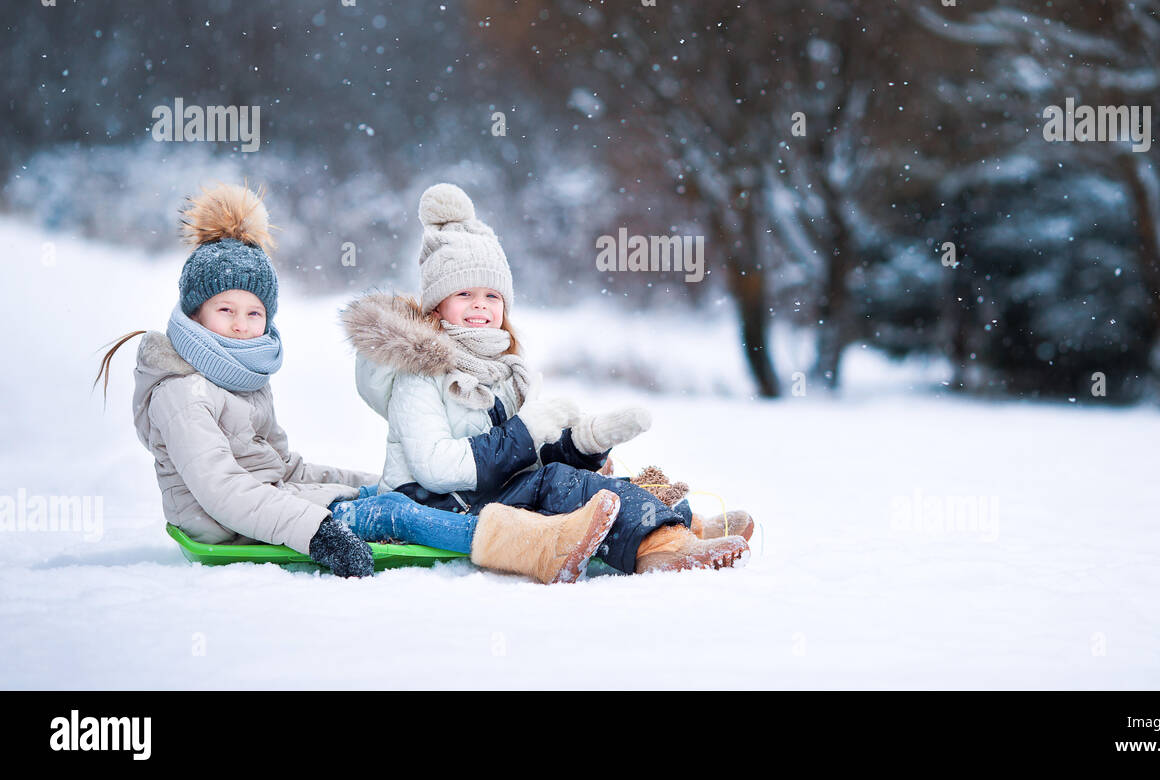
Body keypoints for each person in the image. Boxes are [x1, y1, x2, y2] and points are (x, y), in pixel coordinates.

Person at [95, 182, 619, 583]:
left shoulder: (237, 377)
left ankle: (597, 526)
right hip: (226, 523)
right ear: (195, 312)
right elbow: (223, 490)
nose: (240, 324)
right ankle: (529, 546)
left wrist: (362, 482)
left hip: (270, 503)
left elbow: (283, 468)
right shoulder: (183, 391)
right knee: (401, 515)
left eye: (254, 312)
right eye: (224, 309)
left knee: (388, 500)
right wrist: (316, 530)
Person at [341, 182, 751, 575]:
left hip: (483, 493)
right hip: (437, 505)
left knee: (583, 479)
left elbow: (526, 456)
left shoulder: (506, 370)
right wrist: (524, 430)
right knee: (556, 485)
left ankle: (679, 525)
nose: (480, 306)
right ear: (436, 308)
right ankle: (660, 548)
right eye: (464, 294)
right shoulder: (420, 375)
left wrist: (583, 442)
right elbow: (435, 467)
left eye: (492, 295)